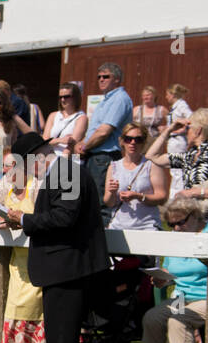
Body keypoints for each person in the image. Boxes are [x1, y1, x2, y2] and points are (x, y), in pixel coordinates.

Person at [1, 132, 108, 343]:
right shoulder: (59, 173)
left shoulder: (66, 172)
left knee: (63, 329)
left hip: (68, 265)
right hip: (61, 265)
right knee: (57, 327)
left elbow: (64, 217)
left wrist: (25, 219)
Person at [141, 198, 208, 343]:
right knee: (152, 318)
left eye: (180, 222)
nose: (176, 228)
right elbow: (170, 271)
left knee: (178, 320)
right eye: (171, 224)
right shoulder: (175, 237)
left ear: (195, 216)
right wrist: (162, 279)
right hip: (180, 296)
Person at [0, 152, 46, 343]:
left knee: (42, 307)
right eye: (4, 167)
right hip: (18, 261)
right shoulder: (6, 185)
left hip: (40, 257)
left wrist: (11, 222)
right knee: (14, 304)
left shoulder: (37, 186)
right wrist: (2, 221)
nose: (6, 171)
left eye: (11, 167)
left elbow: (41, 218)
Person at [146, 107, 208, 230]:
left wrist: (194, 192)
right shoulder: (189, 156)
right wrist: (169, 130)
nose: (185, 131)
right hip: (188, 225)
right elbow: (152, 156)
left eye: (189, 128)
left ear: (198, 130)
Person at [77, 62, 133, 212]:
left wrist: (84, 147)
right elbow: (94, 130)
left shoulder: (120, 99)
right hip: (95, 156)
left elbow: (104, 131)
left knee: (100, 202)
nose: (101, 79)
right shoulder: (107, 99)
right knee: (90, 200)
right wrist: (82, 144)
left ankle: (105, 233)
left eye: (106, 76)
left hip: (104, 156)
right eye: (99, 77)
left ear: (117, 79)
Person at [104, 123, 167, 231]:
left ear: (144, 143)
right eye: (128, 139)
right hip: (119, 227)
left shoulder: (151, 165)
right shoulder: (114, 166)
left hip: (147, 226)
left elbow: (162, 197)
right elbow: (109, 202)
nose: (133, 143)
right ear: (122, 141)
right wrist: (112, 192)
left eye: (138, 139)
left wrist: (139, 196)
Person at [43, 82, 87, 160]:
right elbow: (44, 140)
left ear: (75, 97)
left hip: (69, 161)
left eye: (66, 96)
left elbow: (71, 145)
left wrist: (61, 164)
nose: (63, 100)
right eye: (60, 97)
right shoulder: (53, 115)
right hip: (49, 159)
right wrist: (61, 140)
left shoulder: (81, 117)